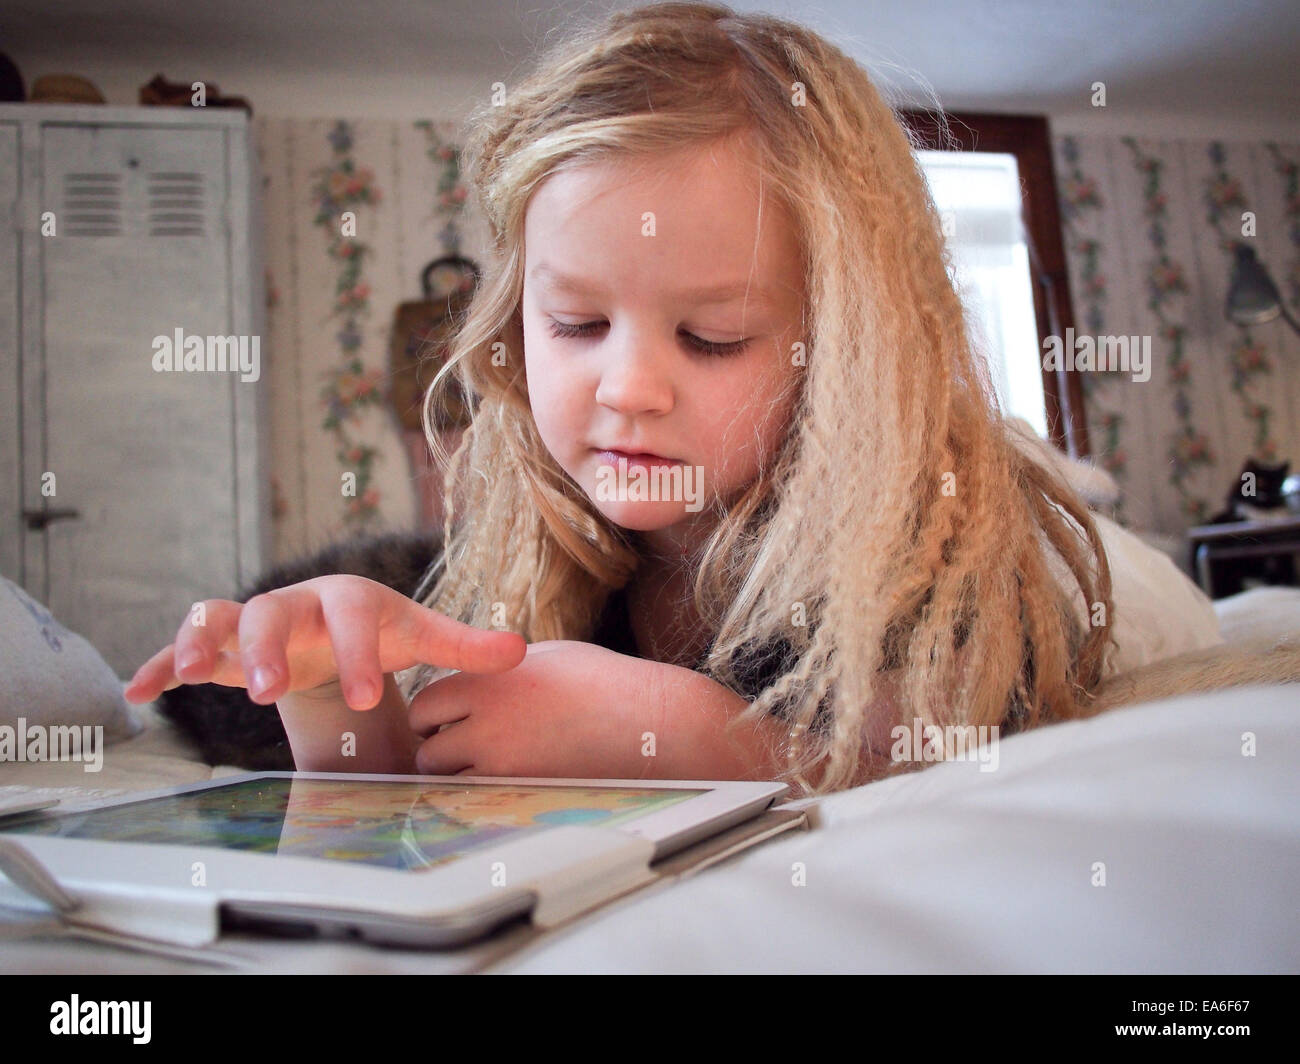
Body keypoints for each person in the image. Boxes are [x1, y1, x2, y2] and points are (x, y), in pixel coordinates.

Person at [125, 2, 1217, 796]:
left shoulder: (922, 540)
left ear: (848, 350)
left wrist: (693, 732)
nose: (627, 388)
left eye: (712, 335)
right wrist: (334, 695)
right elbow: (410, 798)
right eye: (575, 323)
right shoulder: (528, 548)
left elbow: (950, 745)